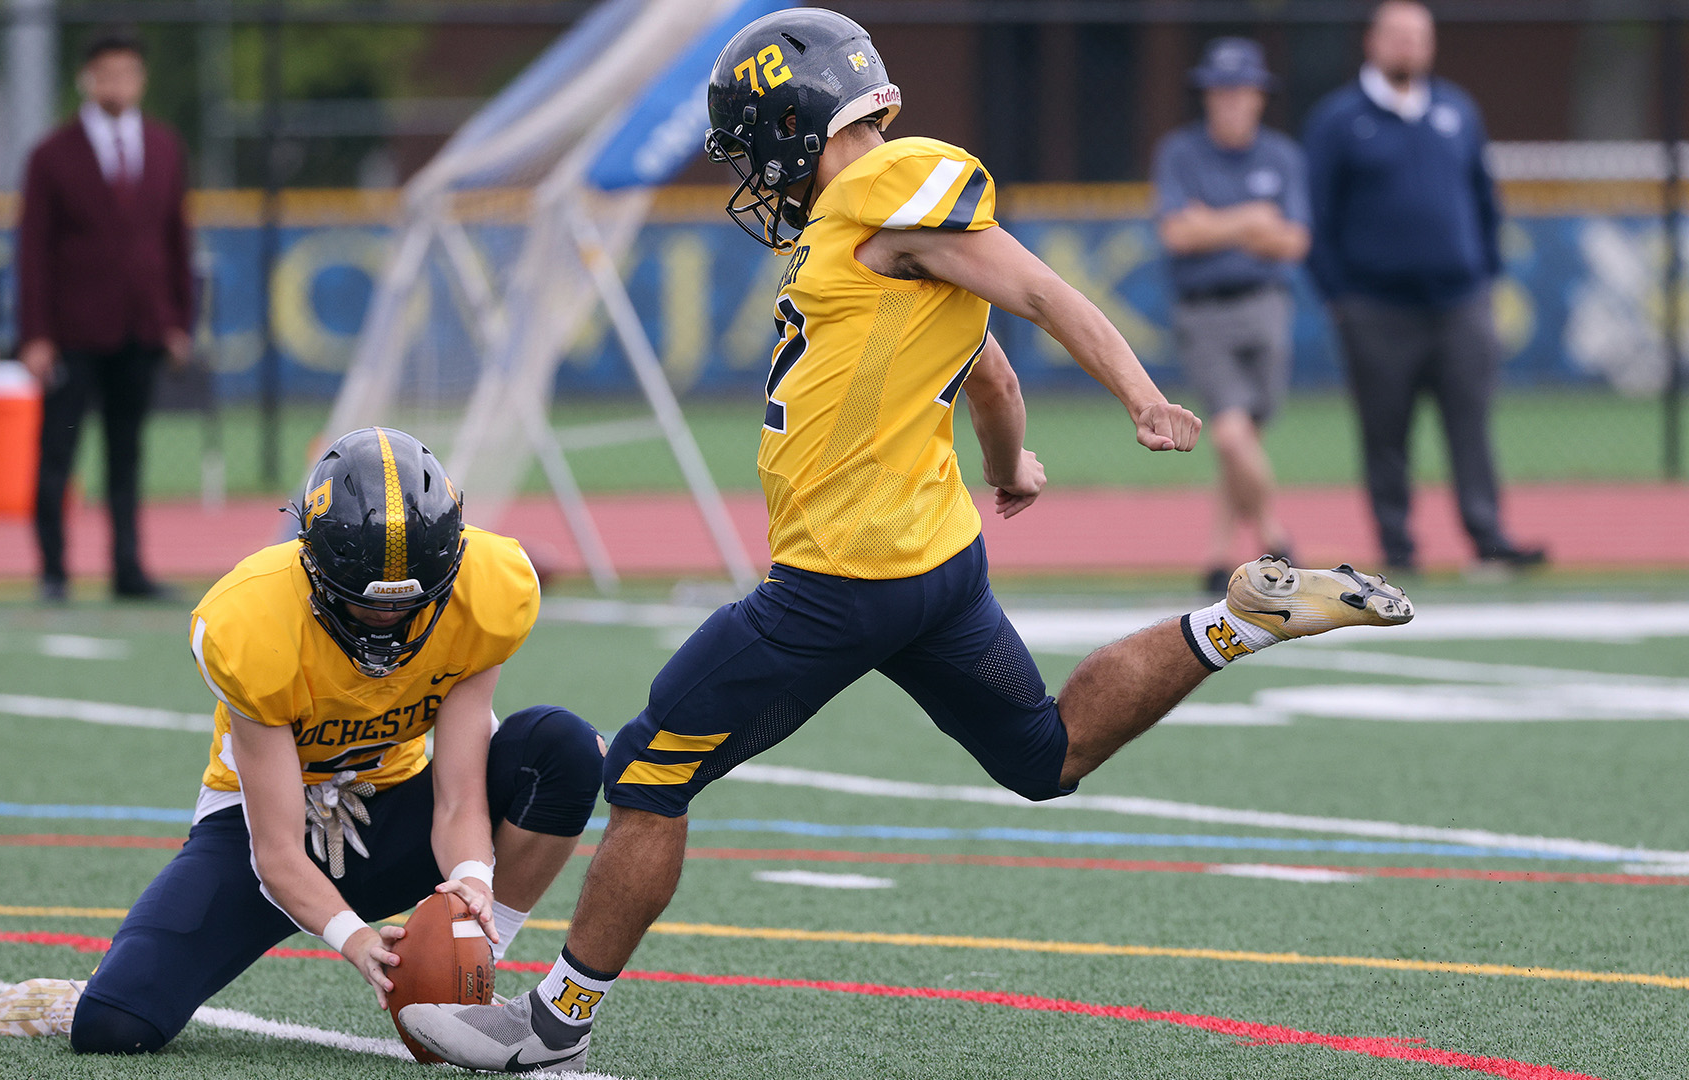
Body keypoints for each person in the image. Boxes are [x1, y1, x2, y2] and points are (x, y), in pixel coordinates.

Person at [400, 10, 1415, 1073]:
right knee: (1044, 756)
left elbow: (1037, 290)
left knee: (647, 775)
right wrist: (1009, 463)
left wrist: (1141, 397)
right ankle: (1236, 619)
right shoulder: (872, 234)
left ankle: (553, 1027)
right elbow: (989, 366)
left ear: (800, 125)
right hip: (934, 566)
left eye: (758, 143)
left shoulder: (888, 189)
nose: (755, 172)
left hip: (837, 583)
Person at [0, 428, 606, 1055]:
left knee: (563, 749)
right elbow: (276, 851)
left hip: (400, 809)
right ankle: (81, 997)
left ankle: (472, 974)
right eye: (364, 605)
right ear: (313, 565)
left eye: (410, 606)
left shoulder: (487, 587)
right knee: (113, 1028)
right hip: (265, 831)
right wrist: (355, 939)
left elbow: (458, 798)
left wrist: (472, 883)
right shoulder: (252, 620)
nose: (388, 622)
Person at [1304, 0, 1544, 572]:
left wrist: (1483, 276)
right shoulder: (1339, 120)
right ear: (1373, 42)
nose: (1409, 46)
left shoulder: (1457, 110)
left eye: (1420, 36)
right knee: (1386, 434)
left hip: (1460, 304)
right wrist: (1341, 296)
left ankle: (1488, 537)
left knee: (1472, 425)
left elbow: (1485, 200)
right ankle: (1398, 547)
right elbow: (1316, 215)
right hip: (1376, 308)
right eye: (1398, 36)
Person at [16, 28, 193, 602]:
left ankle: (127, 567)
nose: (117, 83)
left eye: (127, 72)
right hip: (73, 332)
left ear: (141, 79)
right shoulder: (51, 155)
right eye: (106, 72)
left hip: (139, 328)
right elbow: (33, 251)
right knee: (58, 452)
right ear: (86, 80)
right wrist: (36, 333)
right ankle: (53, 570)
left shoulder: (165, 147)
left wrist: (177, 320)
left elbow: (175, 239)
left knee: (128, 454)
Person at [1152, 38, 1309, 593]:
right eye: (1220, 91)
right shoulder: (1181, 152)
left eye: (1240, 90)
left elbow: (1292, 241)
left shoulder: (1282, 156)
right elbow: (1177, 233)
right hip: (1205, 311)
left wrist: (1212, 225)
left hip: (1266, 305)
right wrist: (1248, 221)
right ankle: (1277, 538)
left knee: (1245, 435)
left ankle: (1218, 556)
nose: (1230, 102)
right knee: (1230, 434)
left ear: (1259, 97)